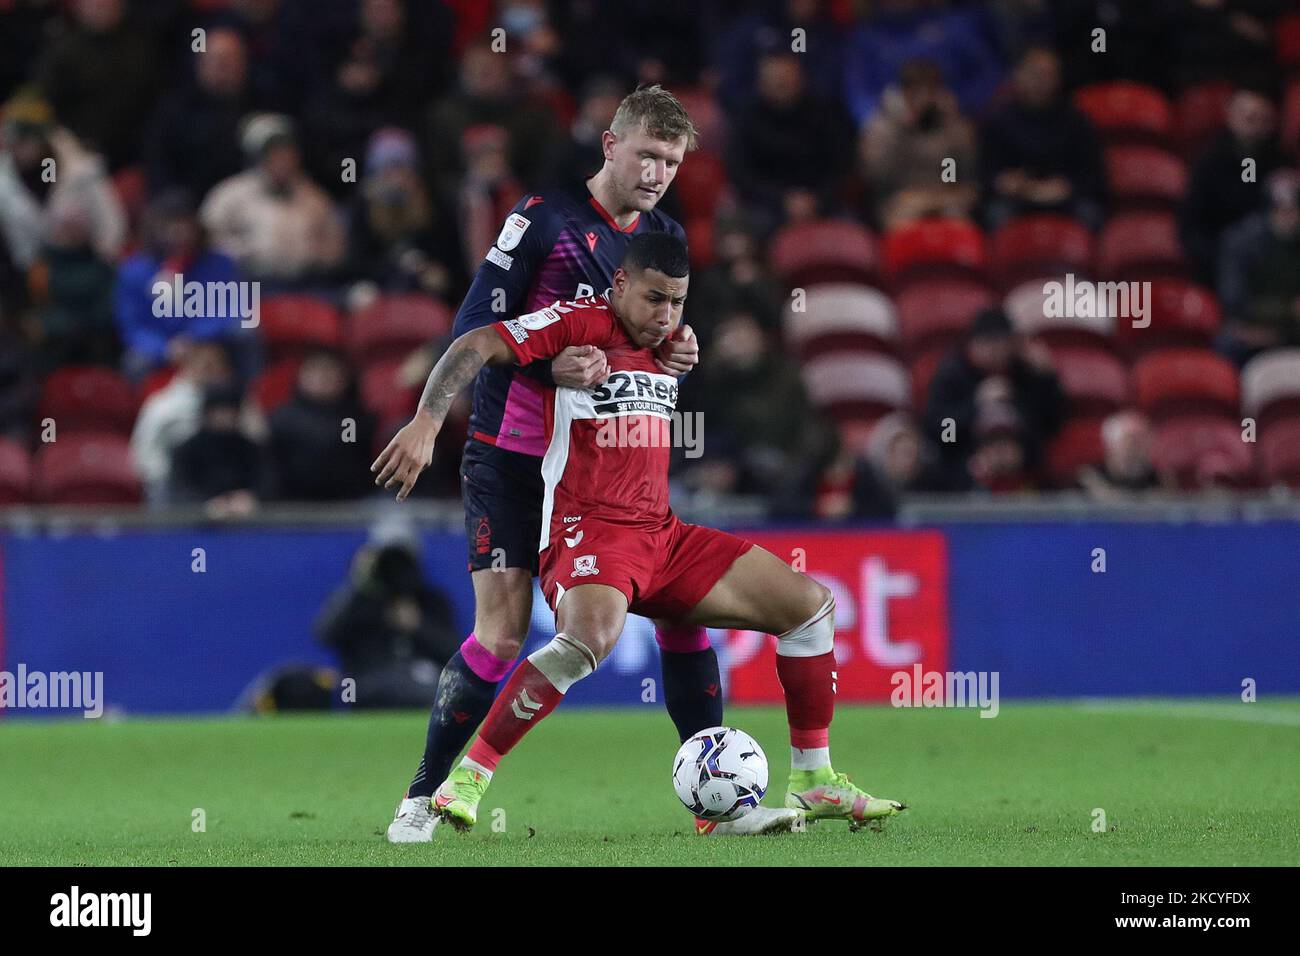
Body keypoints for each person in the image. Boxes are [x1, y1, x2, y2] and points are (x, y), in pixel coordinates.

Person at [373, 233, 905, 834]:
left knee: (811, 609)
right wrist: (429, 416)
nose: (666, 315)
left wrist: (680, 343)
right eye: (654, 299)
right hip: (588, 529)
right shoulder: (575, 324)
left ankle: (814, 780)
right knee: (587, 640)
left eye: (678, 302)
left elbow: (680, 351)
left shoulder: (671, 342)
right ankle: (468, 778)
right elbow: (476, 343)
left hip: (663, 531)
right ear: (619, 284)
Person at [379, 86, 787, 843]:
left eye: (672, 160)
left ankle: (716, 806)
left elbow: (653, 331)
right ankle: (422, 797)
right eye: (647, 154)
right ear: (610, 145)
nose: (659, 171)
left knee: (680, 612)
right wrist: (438, 416)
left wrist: (679, 349)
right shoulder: (542, 222)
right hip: (514, 455)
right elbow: (477, 328)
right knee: (501, 636)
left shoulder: (662, 233)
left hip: (603, 473)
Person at [315, 536, 461, 709]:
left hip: (420, 679)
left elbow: (455, 651)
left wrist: (418, 626)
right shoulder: (359, 601)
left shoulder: (432, 600)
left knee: (435, 690)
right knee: (351, 689)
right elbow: (326, 634)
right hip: (368, 680)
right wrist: (359, 582)